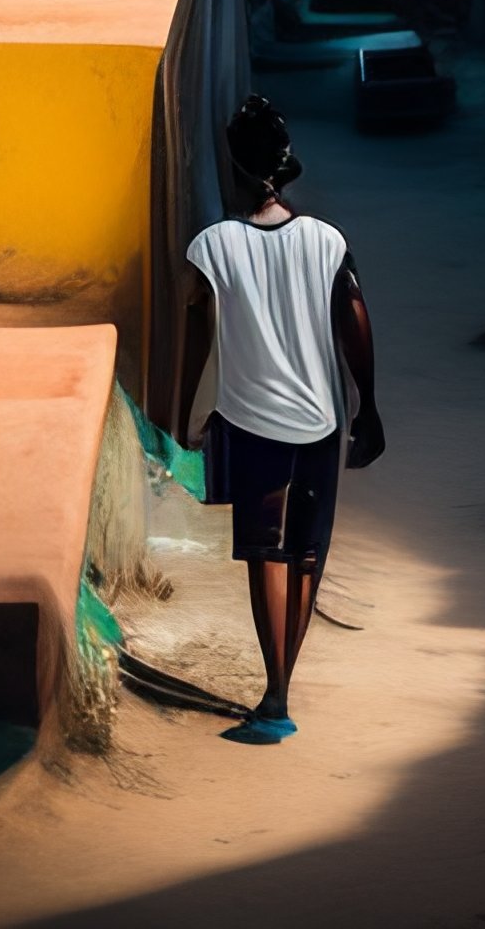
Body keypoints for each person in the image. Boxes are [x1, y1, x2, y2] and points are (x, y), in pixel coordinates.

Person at [180, 94, 384, 744]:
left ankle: (275, 695)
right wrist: (369, 405)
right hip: (322, 422)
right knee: (306, 553)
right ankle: (278, 691)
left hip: (249, 422)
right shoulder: (327, 242)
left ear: (234, 169)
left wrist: (184, 413)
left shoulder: (212, 248)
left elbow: (196, 338)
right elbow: (354, 318)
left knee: (266, 552)